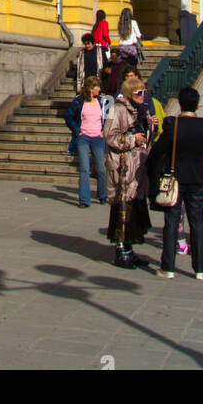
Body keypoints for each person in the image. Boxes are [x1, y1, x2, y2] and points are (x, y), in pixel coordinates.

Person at [147, 85, 203, 280]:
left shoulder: (172, 124)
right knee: (197, 221)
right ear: (197, 105)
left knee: (172, 221)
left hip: (175, 177)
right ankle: (200, 268)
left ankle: (168, 267)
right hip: (197, 176)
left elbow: (158, 150)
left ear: (180, 104)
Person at [104, 74, 152, 268]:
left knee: (135, 211)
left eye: (143, 92)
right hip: (123, 168)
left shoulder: (141, 110)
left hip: (137, 168)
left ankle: (130, 249)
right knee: (123, 210)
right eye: (139, 92)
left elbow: (146, 138)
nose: (142, 95)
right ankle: (120, 250)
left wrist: (150, 126)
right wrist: (133, 140)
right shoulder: (117, 110)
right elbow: (109, 135)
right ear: (129, 93)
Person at [65, 75, 111, 207]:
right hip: (83, 137)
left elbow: (109, 118)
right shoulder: (79, 101)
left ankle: (102, 194)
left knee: (100, 168)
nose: (99, 89)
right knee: (84, 168)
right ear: (91, 88)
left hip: (98, 137)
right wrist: (76, 130)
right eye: (97, 87)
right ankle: (84, 200)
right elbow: (69, 116)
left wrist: (104, 132)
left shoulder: (103, 101)